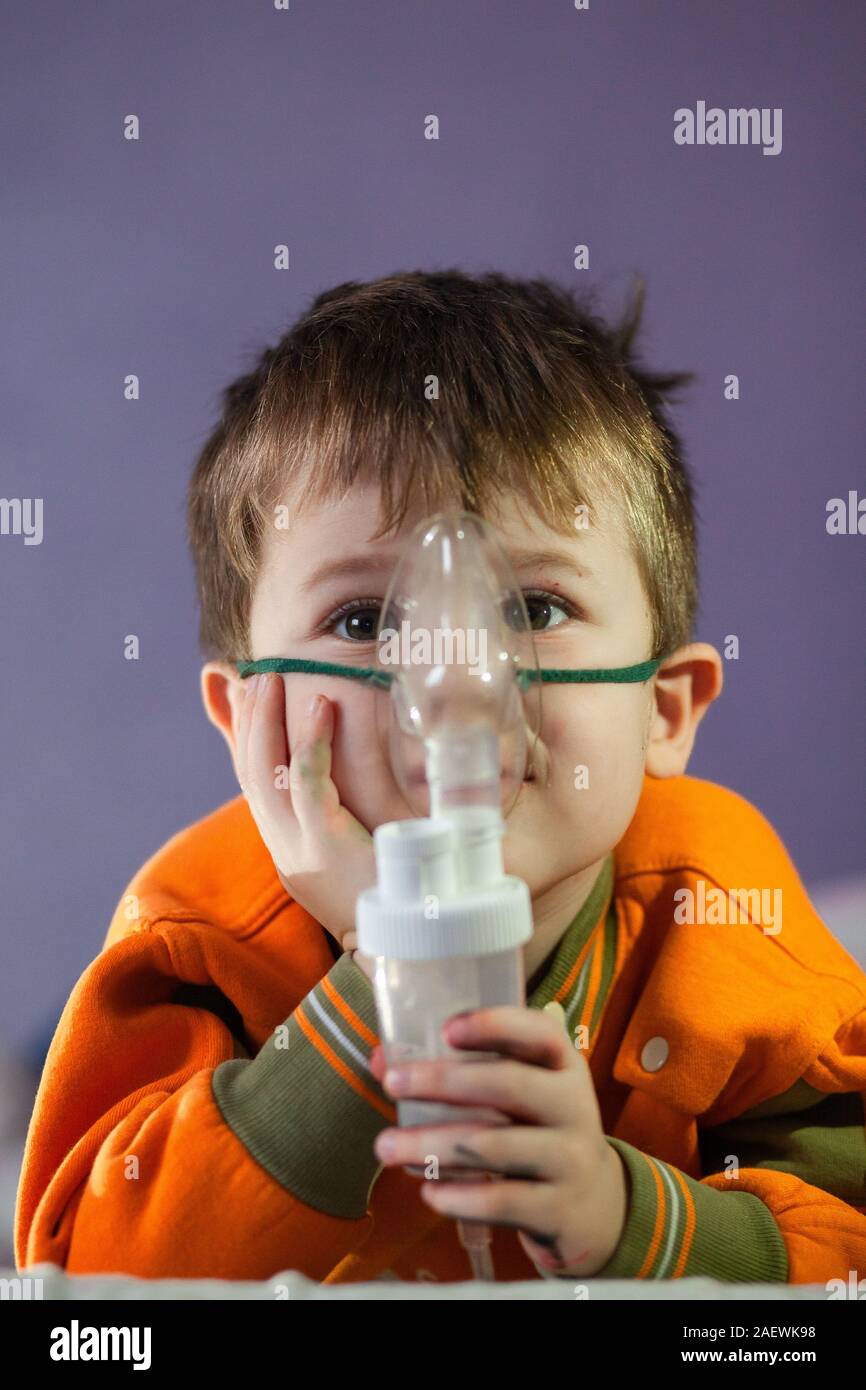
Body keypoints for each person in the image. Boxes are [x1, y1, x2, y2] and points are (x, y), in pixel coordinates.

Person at [15, 271, 866, 1284]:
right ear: (250, 722)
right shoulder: (195, 942)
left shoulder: (722, 921)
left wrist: (625, 1212)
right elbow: (90, 1282)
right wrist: (385, 975)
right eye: (366, 620)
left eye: (534, 609)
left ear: (664, 709)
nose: (458, 685)